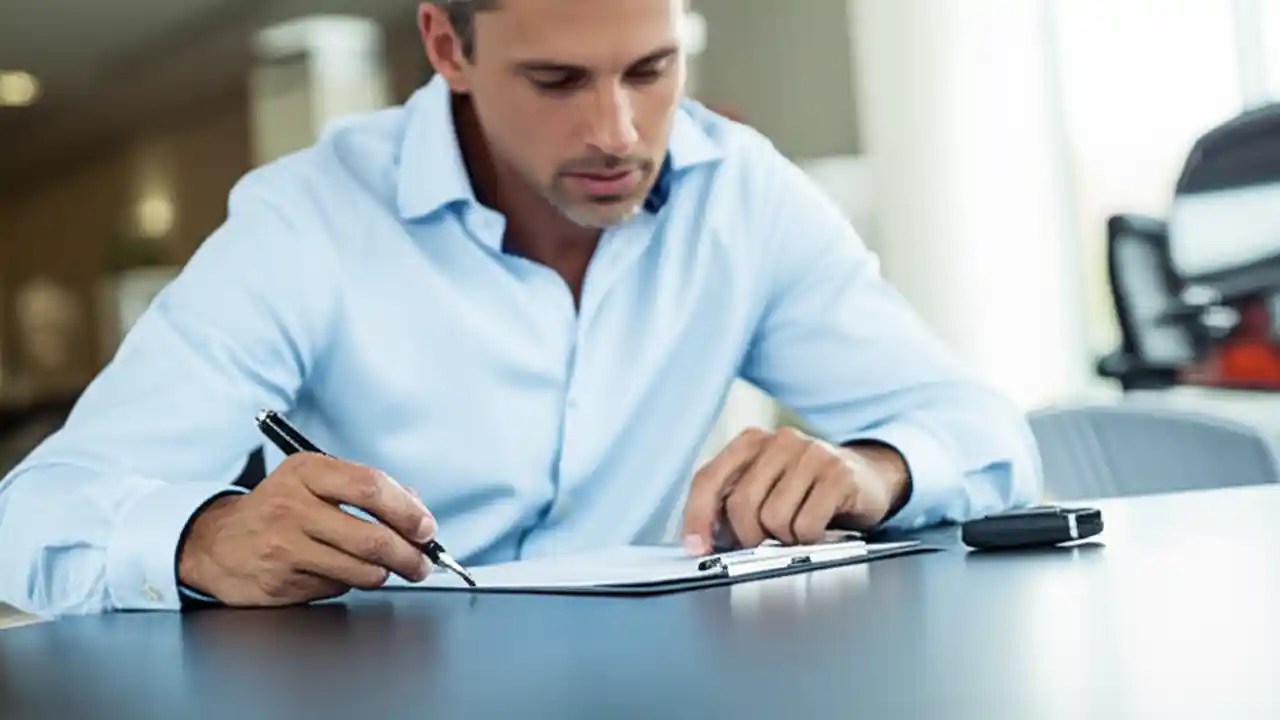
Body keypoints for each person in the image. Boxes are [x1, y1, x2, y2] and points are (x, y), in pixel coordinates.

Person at [0, 0, 1040, 616]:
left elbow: (987, 435)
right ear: (448, 49)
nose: (618, 132)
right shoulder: (306, 219)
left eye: (652, 68)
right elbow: (34, 518)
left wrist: (870, 467)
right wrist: (200, 538)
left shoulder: (742, 195)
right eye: (556, 79)